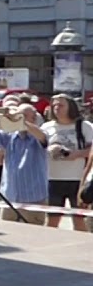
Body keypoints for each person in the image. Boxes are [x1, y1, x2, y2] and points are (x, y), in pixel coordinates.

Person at [40, 94, 91, 230]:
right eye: (54, 105)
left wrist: (75, 154)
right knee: (52, 221)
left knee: (80, 221)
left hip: (78, 180)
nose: (57, 108)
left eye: (61, 105)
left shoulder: (84, 126)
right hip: (53, 179)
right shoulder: (46, 127)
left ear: (71, 107)